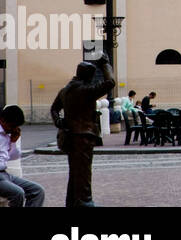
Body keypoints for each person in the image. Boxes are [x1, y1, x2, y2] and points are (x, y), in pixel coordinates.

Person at [50, 55, 114, 207]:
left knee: (75, 171)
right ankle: (84, 200)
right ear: (87, 76)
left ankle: (72, 200)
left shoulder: (65, 90)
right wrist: (105, 65)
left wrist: (58, 122)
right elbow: (110, 82)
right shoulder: (85, 90)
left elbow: (54, 108)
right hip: (83, 136)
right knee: (83, 171)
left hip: (70, 135)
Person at [0, 106, 45, 207]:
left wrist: (13, 142)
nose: (14, 129)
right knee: (18, 193)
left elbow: (13, 157)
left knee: (38, 191)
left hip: (5, 174)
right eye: (12, 126)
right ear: (2, 120)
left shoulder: (8, 135)